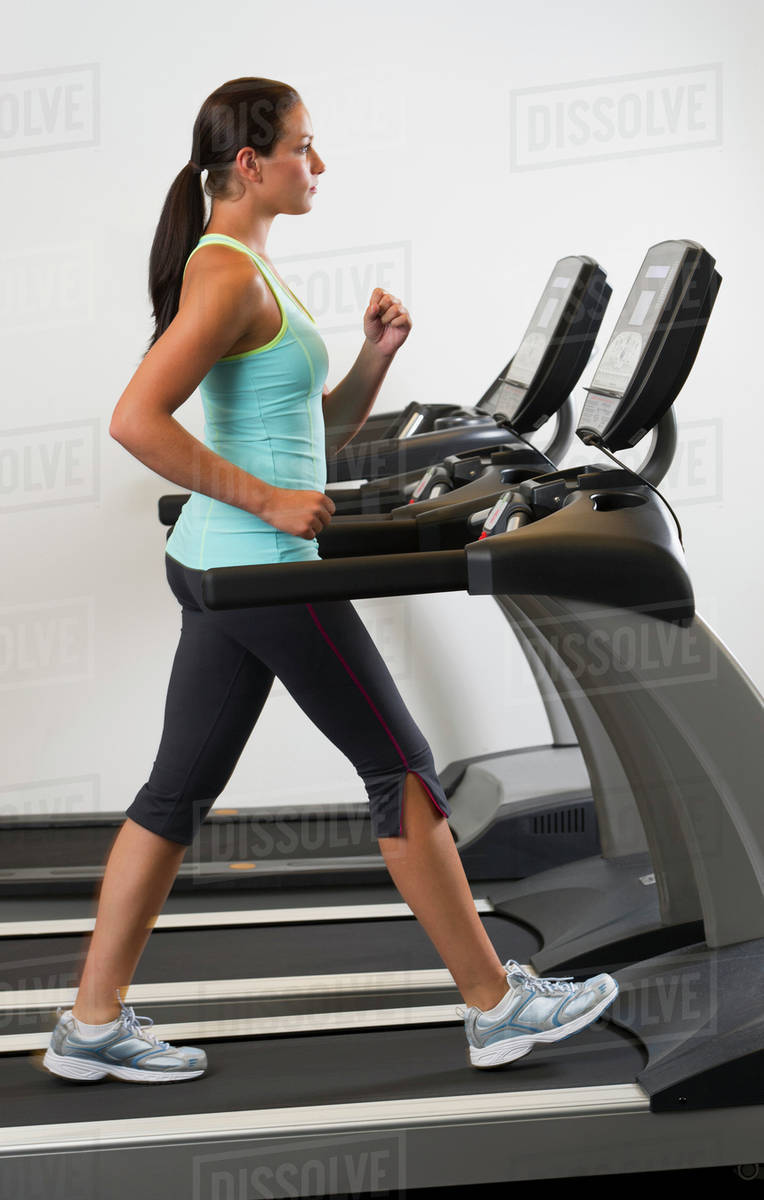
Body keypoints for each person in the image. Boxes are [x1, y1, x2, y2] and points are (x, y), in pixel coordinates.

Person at [43, 77, 617, 1084]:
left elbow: (305, 438)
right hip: (258, 565)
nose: (321, 165)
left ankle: (91, 1022)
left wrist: (373, 360)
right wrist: (264, 504)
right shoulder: (226, 275)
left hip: (225, 565)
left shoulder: (249, 267)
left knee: (174, 792)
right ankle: (494, 1004)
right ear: (253, 164)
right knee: (400, 763)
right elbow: (136, 420)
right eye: (307, 148)